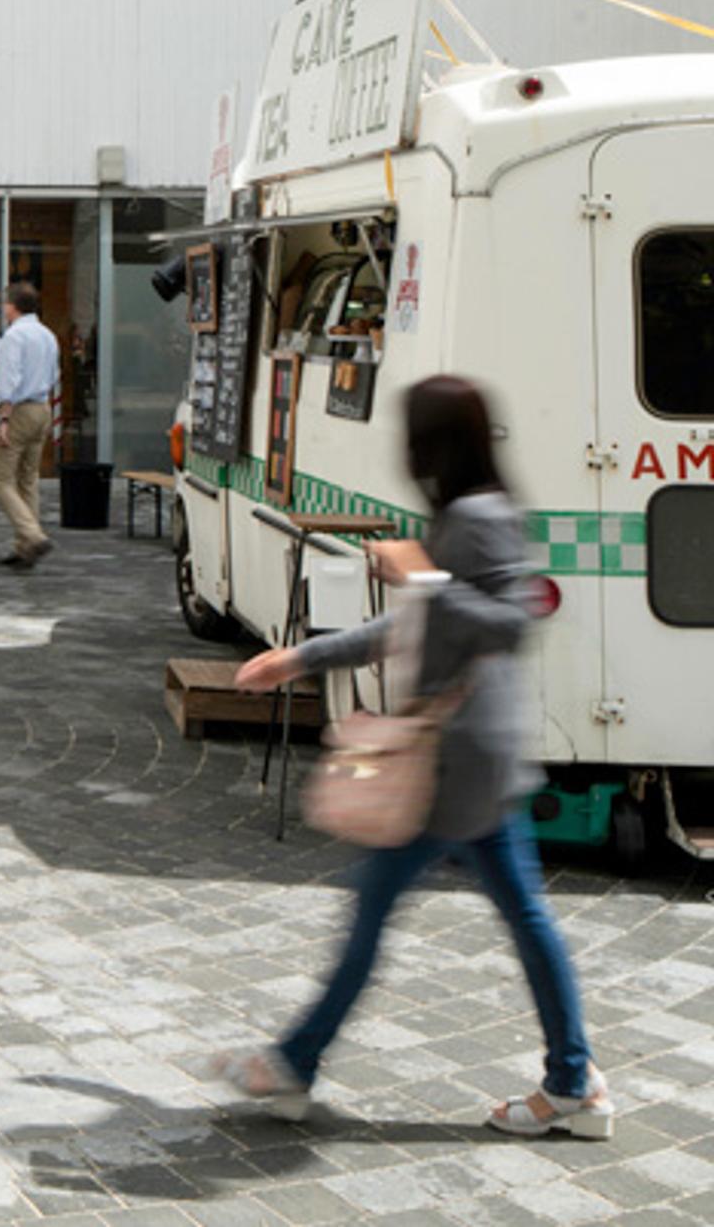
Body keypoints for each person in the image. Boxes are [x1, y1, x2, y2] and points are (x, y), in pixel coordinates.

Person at [217, 375, 611, 1138]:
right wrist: (300, 657)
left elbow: (506, 621)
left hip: (451, 763)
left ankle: (296, 1062)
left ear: (431, 441)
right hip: (471, 757)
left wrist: (422, 578)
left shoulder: (476, 517)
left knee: (374, 909)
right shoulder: (474, 511)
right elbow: (414, 627)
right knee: (522, 919)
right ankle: (572, 1081)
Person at [0, 280, 61, 570]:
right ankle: (25, 546)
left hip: (18, 411)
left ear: (12, 306)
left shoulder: (14, 336)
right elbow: (54, 375)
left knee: (0, 479)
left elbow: (8, 379)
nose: (3, 308)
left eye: (4, 303)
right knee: (28, 479)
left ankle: (32, 534)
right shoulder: (47, 335)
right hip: (42, 407)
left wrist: (3, 416)